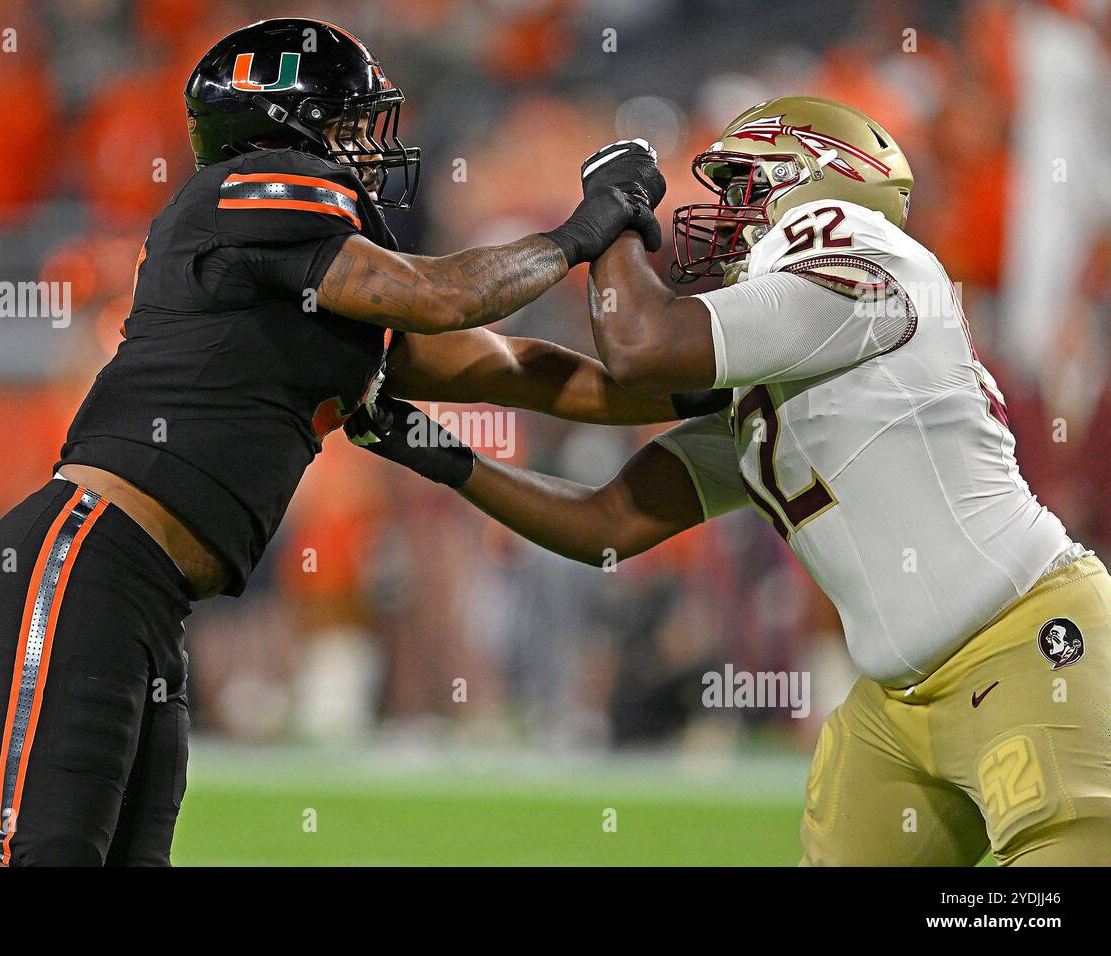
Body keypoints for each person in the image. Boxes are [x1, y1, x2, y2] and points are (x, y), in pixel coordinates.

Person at [0, 17, 672, 866]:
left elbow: (516, 369)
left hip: (145, 594)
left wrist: (712, 379)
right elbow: (447, 298)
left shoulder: (317, 289)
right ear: (282, 131)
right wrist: (577, 234)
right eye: (348, 123)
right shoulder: (243, 192)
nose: (368, 149)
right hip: (84, 560)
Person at [347, 96, 1111, 866]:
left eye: (745, 186)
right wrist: (440, 453)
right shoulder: (792, 365)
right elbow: (608, 523)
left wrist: (609, 221)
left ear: (817, 182)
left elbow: (640, 348)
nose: (726, 217)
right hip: (896, 706)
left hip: (1025, 648)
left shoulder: (873, 260)